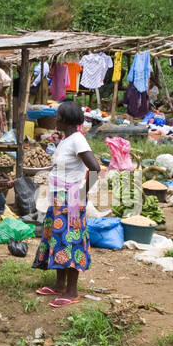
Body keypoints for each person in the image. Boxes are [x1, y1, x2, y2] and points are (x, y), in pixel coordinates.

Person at [33, 100, 101, 306]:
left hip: (70, 200)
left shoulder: (78, 140)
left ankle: (72, 291)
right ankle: (59, 285)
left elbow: (95, 168)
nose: (56, 120)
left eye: (58, 116)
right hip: (58, 199)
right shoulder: (66, 140)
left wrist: (81, 193)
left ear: (65, 120)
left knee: (71, 242)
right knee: (58, 240)